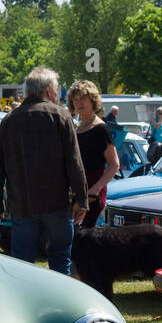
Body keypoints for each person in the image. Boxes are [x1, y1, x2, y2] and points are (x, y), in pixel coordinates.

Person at [0, 66, 87, 275]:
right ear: (48, 91)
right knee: (60, 259)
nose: (57, 95)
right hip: (57, 204)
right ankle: (60, 304)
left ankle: (24, 305)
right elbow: (74, 162)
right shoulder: (61, 116)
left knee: (22, 265)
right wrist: (81, 199)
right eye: (57, 90)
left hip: (22, 205)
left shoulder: (9, 121)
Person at [67, 80, 120, 229]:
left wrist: (95, 190)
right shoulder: (75, 128)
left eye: (83, 98)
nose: (79, 103)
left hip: (92, 195)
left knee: (86, 242)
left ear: (92, 100)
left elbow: (114, 165)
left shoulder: (101, 129)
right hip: (76, 192)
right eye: (75, 99)